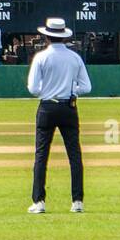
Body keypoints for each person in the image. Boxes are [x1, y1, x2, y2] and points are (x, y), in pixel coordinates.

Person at [26, 17, 91, 215]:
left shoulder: (41, 58)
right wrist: (71, 89)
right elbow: (87, 86)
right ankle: (77, 201)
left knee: (41, 155)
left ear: (46, 36)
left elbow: (33, 88)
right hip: (68, 107)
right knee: (74, 155)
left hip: (47, 107)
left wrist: (49, 89)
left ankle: (39, 202)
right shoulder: (74, 58)